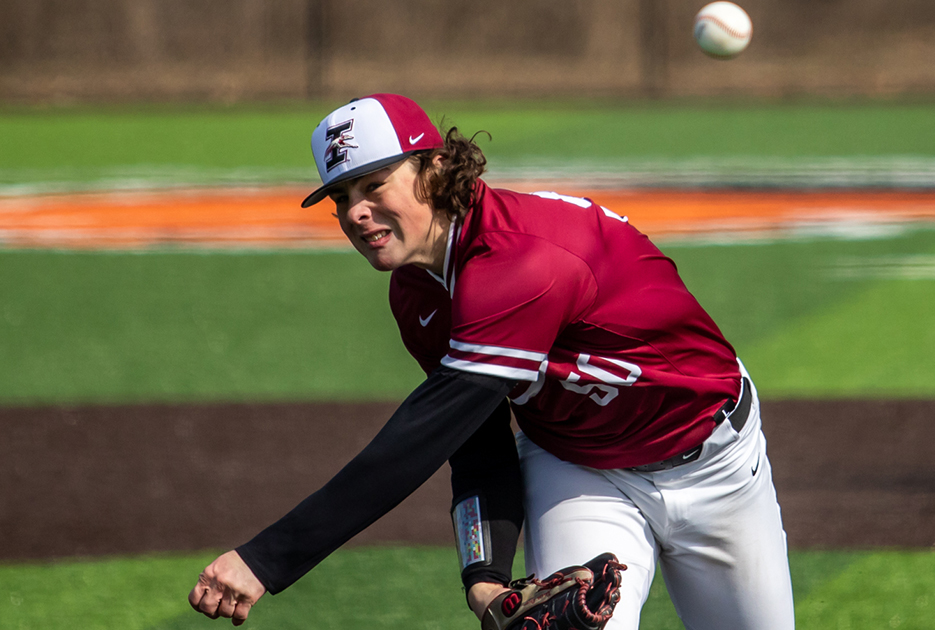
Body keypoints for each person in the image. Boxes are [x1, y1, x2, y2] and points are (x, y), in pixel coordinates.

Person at [188, 94, 795, 629]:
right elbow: (476, 444)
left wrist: (268, 557)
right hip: (580, 469)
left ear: (436, 168)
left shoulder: (520, 260)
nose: (355, 212)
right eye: (341, 197)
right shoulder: (416, 293)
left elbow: (413, 444)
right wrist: (485, 581)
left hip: (715, 463)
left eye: (374, 184)